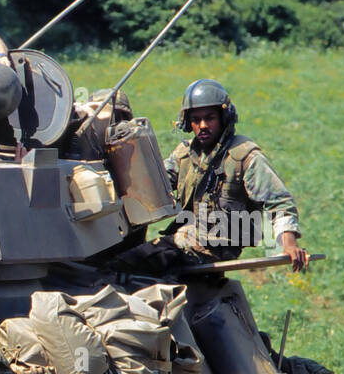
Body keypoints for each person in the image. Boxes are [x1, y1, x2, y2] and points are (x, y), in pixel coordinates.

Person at [117, 79, 307, 274]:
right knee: (123, 257)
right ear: (187, 123)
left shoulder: (244, 156)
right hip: (188, 238)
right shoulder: (184, 155)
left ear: (224, 118)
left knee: (128, 264)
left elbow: (280, 201)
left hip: (220, 244)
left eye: (210, 118)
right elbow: (154, 183)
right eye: (196, 119)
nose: (203, 125)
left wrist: (288, 243)